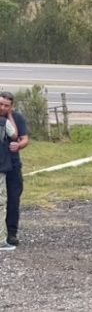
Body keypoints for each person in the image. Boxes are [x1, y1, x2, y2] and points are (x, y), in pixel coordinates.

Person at [0, 91, 28, 247]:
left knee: (12, 200)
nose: (3, 107)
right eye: (1, 104)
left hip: (13, 165)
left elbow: (23, 138)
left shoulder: (17, 118)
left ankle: (11, 233)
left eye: (6, 105)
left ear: (11, 106)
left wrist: (19, 145)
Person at [0, 106, 17, 251]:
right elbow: (14, 135)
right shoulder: (3, 122)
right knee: (0, 204)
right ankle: (1, 240)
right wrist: (9, 116)